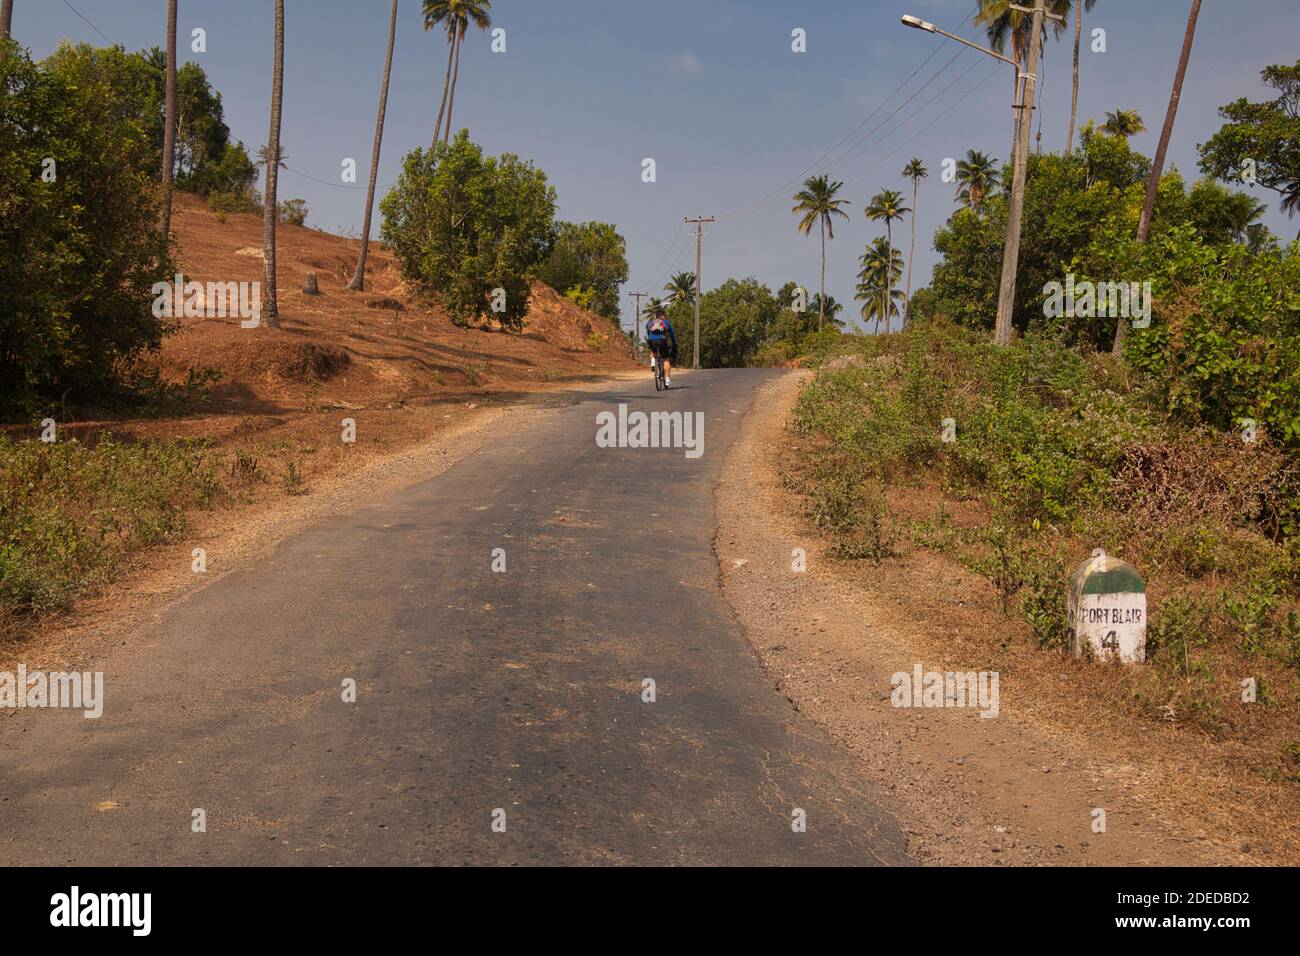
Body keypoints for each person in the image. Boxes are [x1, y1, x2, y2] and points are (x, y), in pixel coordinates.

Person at [644, 309, 677, 387]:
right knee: (666, 359)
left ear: (656, 316)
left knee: (653, 351)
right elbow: (672, 334)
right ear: (663, 316)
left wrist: (650, 340)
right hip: (662, 341)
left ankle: (653, 362)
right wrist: (674, 343)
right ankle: (667, 380)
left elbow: (648, 332)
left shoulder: (650, 322)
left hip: (652, 340)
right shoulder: (666, 322)